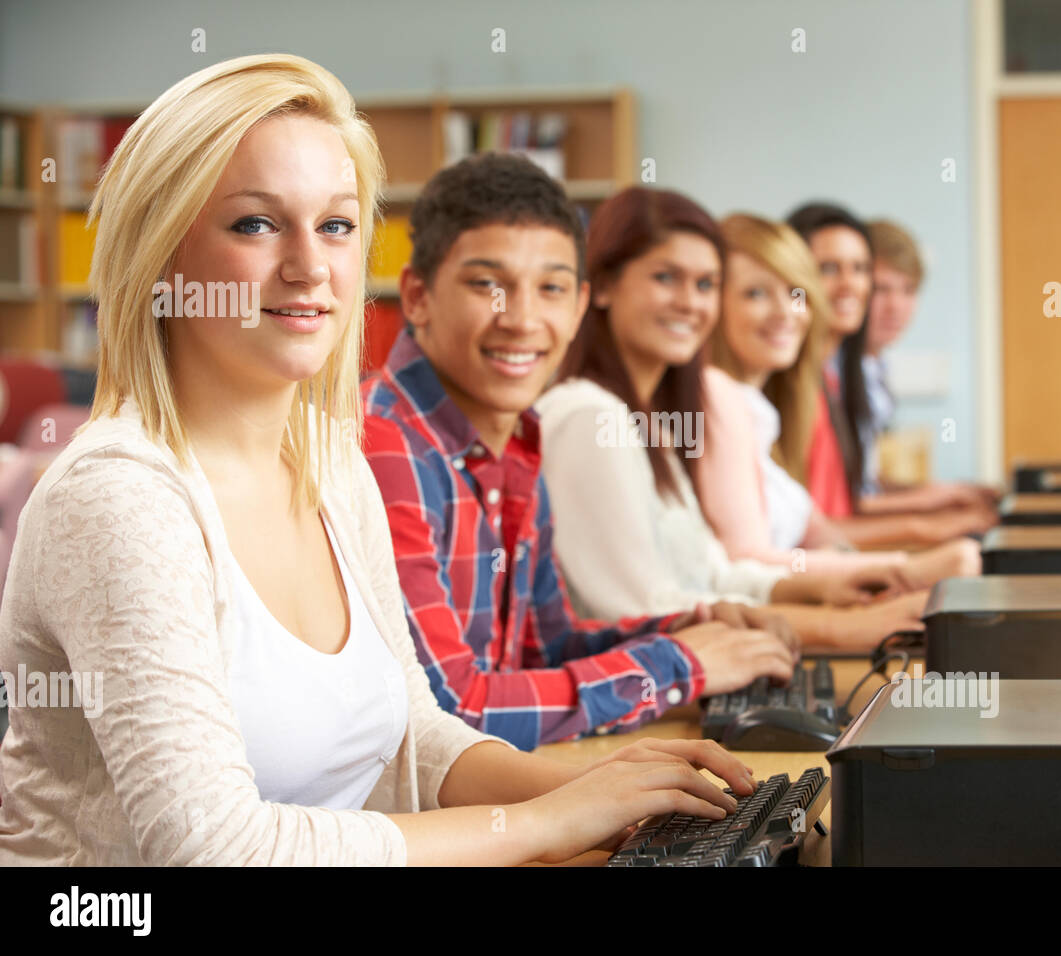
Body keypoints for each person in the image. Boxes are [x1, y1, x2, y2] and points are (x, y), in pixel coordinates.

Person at [0, 54, 759, 867]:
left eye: (335, 225)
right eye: (255, 224)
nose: (310, 267)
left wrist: (591, 790)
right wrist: (549, 826)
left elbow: (413, 733)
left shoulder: (329, 461)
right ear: (159, 257)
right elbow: (212, 849)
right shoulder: (121, 497)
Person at [361, 153, 798, 751]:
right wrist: (679, 666)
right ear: (416, 296)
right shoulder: (386, 444)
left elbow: (542, 648)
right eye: (486, 284)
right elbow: (451, 708)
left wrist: (694, 626)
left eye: (550, 288)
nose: (521, 318)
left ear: (576, 304)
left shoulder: (518, 438)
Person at [537, 187, 928, 654]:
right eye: (666, 278)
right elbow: (645, 610)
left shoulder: (651, 424)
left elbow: (714, 572)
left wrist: (819, 588)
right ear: (601, 286)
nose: (690, 302)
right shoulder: (590, 417)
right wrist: (840, 629)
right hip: (643, 691)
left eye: (705, 285)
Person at [697, 212, 980, 587]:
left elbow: (820, 531)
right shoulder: (719, 398)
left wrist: (893, 565)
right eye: (755, 293)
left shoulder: (772, 404)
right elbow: (751, 560)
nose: (784, 311)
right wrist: (906, 562)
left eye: (794, 293)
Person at [787, 202, 995, 546]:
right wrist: (924, 523)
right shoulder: (799, 385)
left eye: (859, 270)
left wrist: (936, 501)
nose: (849, 285)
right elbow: (819, 523)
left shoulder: (837, 378)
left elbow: (844, 497)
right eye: (828, 269)